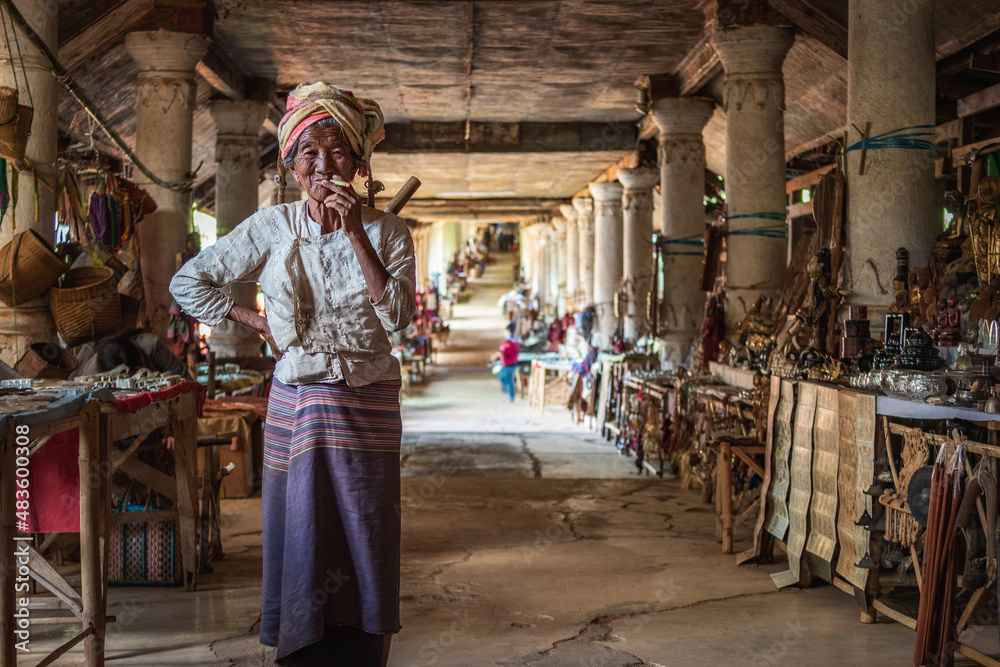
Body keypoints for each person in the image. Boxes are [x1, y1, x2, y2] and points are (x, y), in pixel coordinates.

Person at [170, 83, 415, 667]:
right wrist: (251, 319)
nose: (323, 167)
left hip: (367, 404)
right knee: (302, 527)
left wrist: (356, 234)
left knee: (365, 525)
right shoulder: (271, 227)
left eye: (336, 152)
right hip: (298, 403)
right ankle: (301, 642)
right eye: (309, 153)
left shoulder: (388, 233)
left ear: (359, 164)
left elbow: (400, 318)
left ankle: (363, 645)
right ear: (289, 162)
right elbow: (189, 282)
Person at [74, 329, 191, 379]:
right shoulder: (92, 373)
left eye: (132, 374)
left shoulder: (151, 346)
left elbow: (186, 381)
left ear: (140, 361)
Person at [497, 323, 520, 402]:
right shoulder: (514, 340)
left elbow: (504, 351)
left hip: (509, 362)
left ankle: (511, 395)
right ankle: (510, 393)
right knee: (506, 378)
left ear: (508, 331)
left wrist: (498, 355)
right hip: (510, 361)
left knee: (507, 379)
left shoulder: (509, 341)